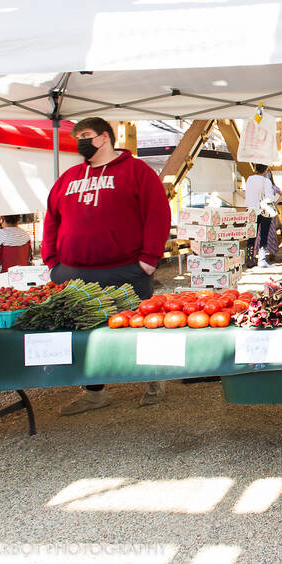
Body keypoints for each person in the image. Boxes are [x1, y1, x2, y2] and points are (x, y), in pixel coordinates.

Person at [43, 117, 171, 415]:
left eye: (86, 135)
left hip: (126, 269)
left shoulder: (137, 171)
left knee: (139, 327)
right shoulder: (69, 177)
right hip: (73, 272)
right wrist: (52, 261)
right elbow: (51, 218)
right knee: (84, 333)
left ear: (104, 137)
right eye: (78, 137)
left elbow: (157, 214)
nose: (81, 142)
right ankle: (94, 392)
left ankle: (154, 380)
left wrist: (149, 259)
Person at [245, 164, 282, 268]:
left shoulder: (249, 179)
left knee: (252, 235)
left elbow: (247, 195)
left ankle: (249, 259)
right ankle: (261, 259)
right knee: (264, 235)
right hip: (264, 211)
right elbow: (269, 198)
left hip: (251, 210)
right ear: (266, 170)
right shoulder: (266, 181)